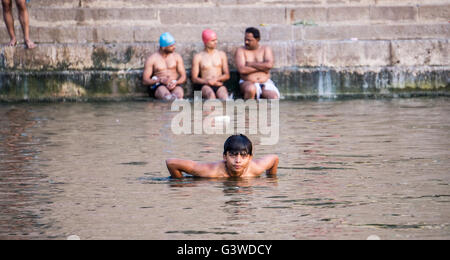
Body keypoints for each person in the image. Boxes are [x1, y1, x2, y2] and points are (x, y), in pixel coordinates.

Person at [166, 134, 279, 179]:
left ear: (250, 158)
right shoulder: (210, 172)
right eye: (233, 155)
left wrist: (271, 178)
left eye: (243, 156)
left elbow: (274, 158)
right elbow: (171, 163)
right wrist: (179, 182)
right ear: (225, 156)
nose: (238, 160)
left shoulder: (256, 168)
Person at [235, 27, 280, 100]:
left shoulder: (265, 49)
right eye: (245, 39)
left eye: (249, 40)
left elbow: (269, 65)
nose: (246, 42)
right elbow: (242, 70)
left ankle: (268, 111)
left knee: (274, 97)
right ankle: (249, 110)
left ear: (257, 39)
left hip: (265, 82)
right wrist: (263, 69)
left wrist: (251, 64)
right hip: (247, 82)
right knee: (251, 89)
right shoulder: (241, 51)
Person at [142, 32, 186, 100]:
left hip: (174, 84)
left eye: (174, 45)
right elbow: (145, 80)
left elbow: (183, 76)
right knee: (167, 97)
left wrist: (176, 82)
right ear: (163, 47)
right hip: (159, 85)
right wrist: (160, 80)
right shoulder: (152, 59)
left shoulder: (177, 57)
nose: (174, 47)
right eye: (171, 46)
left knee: (179, 96)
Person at [191, 29, 230, 100]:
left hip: (219, 84)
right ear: (205, 42)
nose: (216, 42)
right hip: (205, 85)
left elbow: (227, 75)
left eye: (216, 40)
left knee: (225, 97)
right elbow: (194, 78)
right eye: (212, 41)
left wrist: (215, 80)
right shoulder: (198, 57)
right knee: (211, 96)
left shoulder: (221, 55)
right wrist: (208, 81)